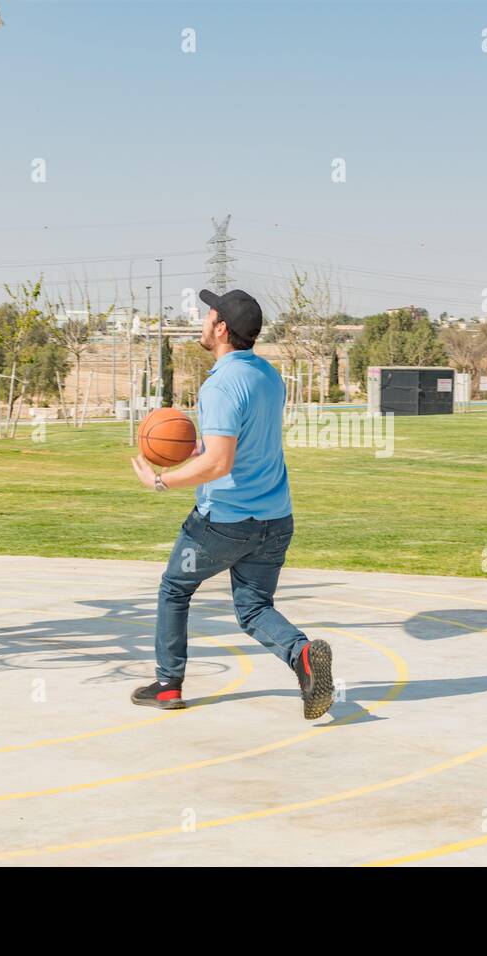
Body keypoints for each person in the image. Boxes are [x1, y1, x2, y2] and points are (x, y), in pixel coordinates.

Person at [129, 289, 334, 720]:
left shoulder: (221, 384)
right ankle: (303, 658)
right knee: (255, 607)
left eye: (209, 314)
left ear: (221, 328)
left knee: (174, 589)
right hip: (275, 520)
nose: (203, 320)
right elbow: (236, 445)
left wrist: (162, 480)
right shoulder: (268, 376)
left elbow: (220, 464)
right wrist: (198, 451)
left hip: (223, 524)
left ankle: (168, 685)